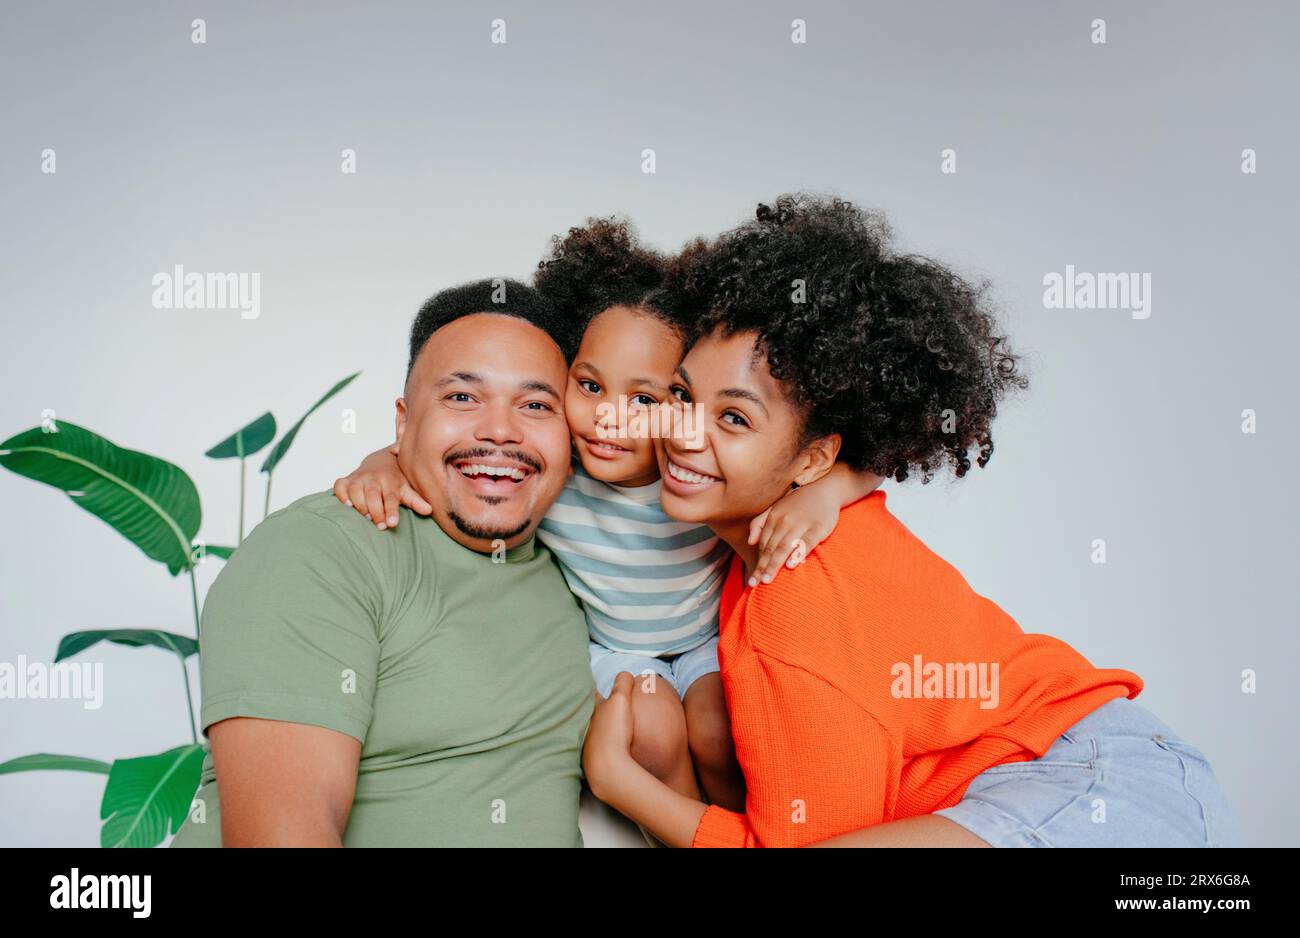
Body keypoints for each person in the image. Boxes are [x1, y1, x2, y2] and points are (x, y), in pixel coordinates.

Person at [581, 194, 1245, 848]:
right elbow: (858, 464)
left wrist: (622, 782)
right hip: (1095, 771)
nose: (684, 434)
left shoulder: (795, 598)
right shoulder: (792, 515)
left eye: (734, 418)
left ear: (815, 456)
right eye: (680, 395)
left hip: (1095, 787)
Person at [335, 219, 882, 832]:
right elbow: (446, 455)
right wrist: (376, 464)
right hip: (616, 650)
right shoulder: (553, 472)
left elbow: (854, 465)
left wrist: (825, 496)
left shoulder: (699, 476)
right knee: (651, 728)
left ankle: (745, 829)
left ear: (684, 403)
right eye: (589, 385)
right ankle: (682, 832)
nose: (608, 418)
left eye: (644, 400)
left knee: (721, 728)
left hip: (705, 642)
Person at [171, 278, 594, 847]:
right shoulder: (322, 550)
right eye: (462, 397)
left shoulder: (583, 570)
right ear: (402, 422)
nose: (500, 430)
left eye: (536, 405)